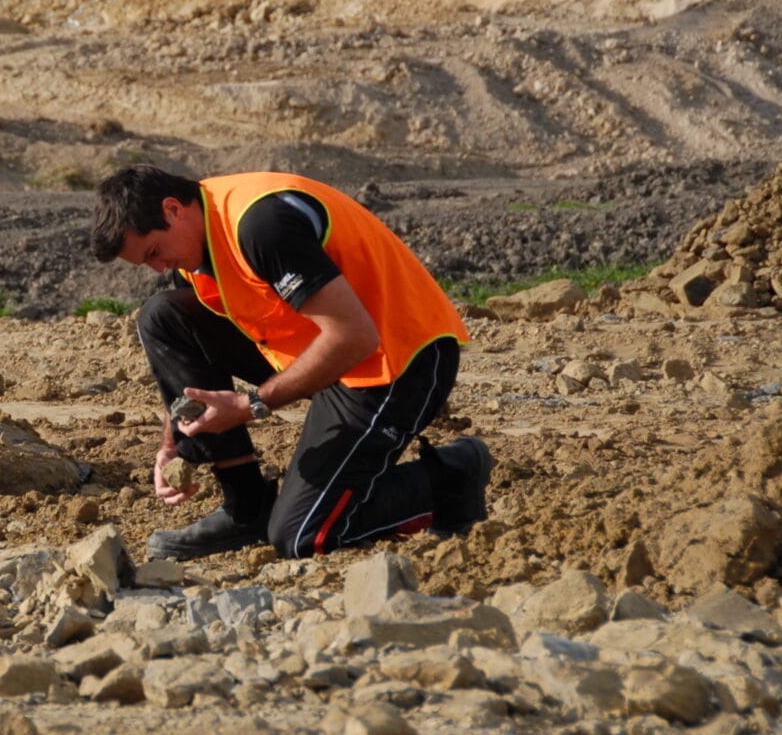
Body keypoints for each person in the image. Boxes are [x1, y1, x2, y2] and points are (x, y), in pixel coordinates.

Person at [89, 165, 491, 560]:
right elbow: (188, 358)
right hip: (328, 350)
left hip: (397, 361)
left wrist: (251, 405)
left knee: (302, 536)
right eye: (147, 263)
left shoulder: (261, 225)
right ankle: (247, 507)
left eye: (154, 252)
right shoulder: (197, 242)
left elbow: (355, 336)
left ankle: (452, 475)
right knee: (163, 316)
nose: (159, 267)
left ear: (173, 209)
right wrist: (171, 444)